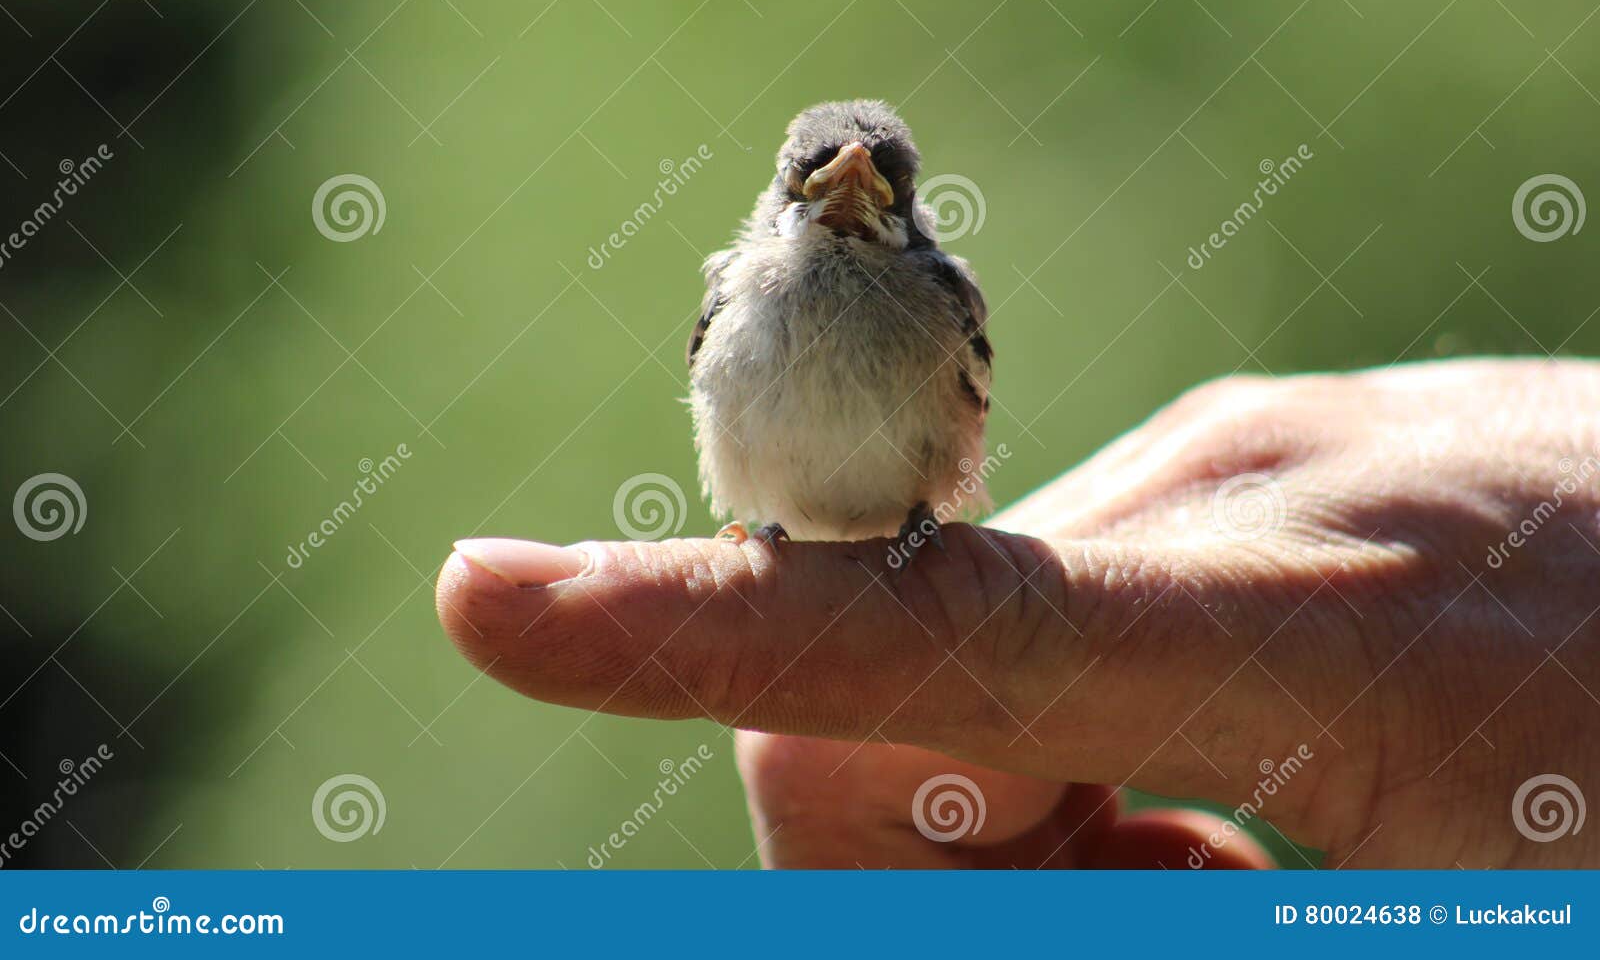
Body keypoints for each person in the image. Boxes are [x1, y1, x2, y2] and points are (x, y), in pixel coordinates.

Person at [435, 358, 1600, 868]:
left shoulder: (933, 297)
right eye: (817, 180)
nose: (847, 198)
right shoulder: (745, 295)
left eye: (878, 184)